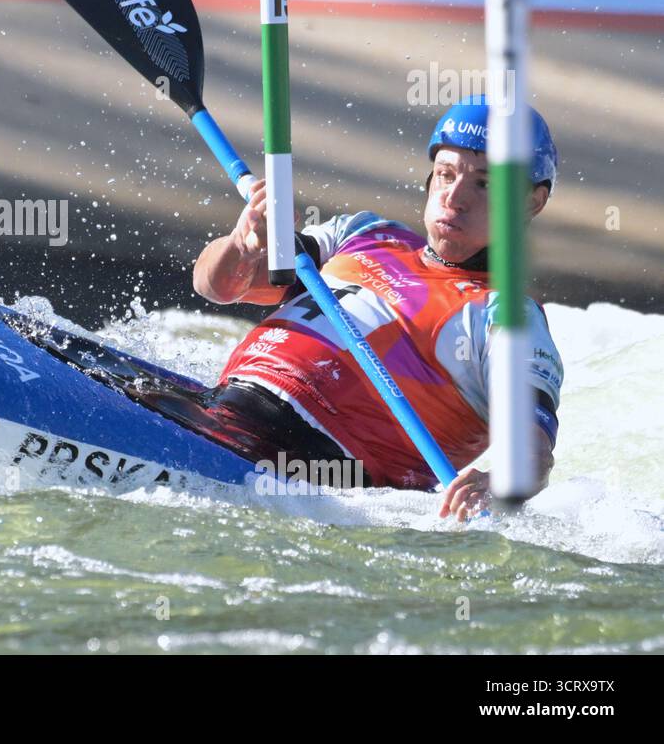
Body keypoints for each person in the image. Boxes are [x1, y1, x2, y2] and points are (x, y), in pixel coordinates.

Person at [192, 95, 563, 521]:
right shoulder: (364, 233)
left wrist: (498, 484)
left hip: (315, 468)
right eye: (444, 175)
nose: (454, 198)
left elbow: (533, 450)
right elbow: (216, 286)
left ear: (531, 202)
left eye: (484, 184)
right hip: (225, 409)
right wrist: (243, 244)